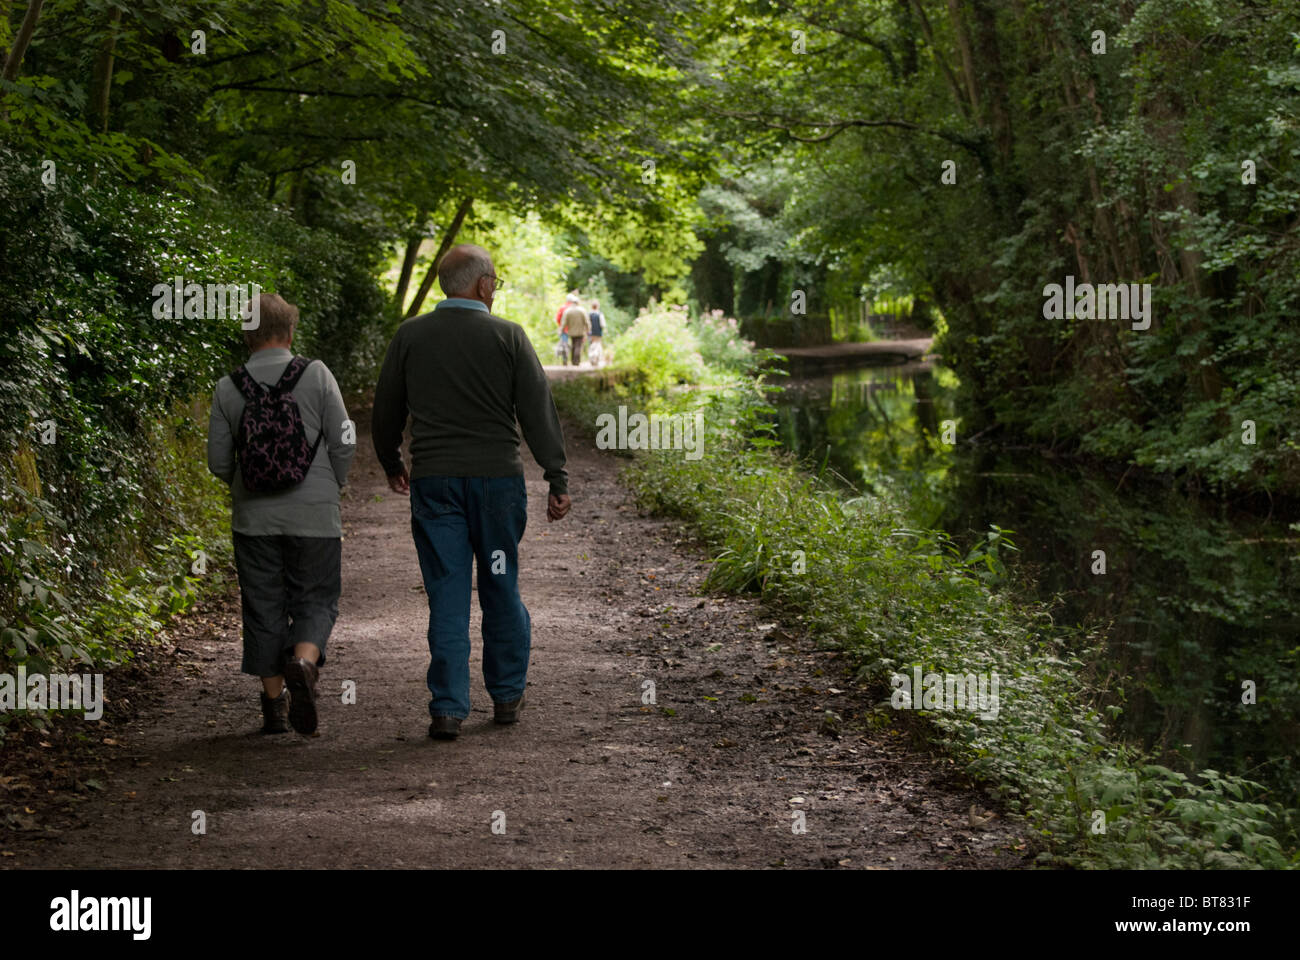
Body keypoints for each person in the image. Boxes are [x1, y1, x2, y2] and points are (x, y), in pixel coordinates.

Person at [372, 244, 572, 741]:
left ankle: (447, 708)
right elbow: (537, 412)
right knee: (500, 582)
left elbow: (385, 410)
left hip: (436, 486)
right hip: (496, 490)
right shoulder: (508, 336)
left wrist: (394, 463)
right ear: (484, 284)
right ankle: (506, 696)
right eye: (496, 284)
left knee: (448, 590)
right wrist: (557, 477)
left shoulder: (411, 335)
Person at [206, 292, 355, 736]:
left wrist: (247, 483)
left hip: (254, 521)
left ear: (247, 336)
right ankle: (304, 664)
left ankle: (274, 706)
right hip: (315, 516)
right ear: (290, 331)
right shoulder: (316, 374)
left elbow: (218, 462)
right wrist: (333, 483)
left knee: (263, 607)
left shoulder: (227, 387)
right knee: (316, 597)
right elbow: (343, 438)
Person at [561, 296, 590, 367]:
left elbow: (564, 322)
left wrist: (561, 330)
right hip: (580, 332)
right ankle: (576, 361)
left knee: (573, 345)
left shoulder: (568, 311)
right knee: (578, 346)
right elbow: (586, 322)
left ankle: (573, 361)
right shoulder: (582, 310)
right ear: (578, 302)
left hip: (571, 332)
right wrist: (588, 330)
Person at [554, 292, 579, 365]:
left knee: (564, 344)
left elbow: (558, 318)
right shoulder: (574, 308)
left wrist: (561, 327)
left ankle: (565, 360)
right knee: (574, 344)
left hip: (564, 330)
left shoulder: (562, 308)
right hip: (573, 329)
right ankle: (574, 360)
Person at [587, 299, 605, 367]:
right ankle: (596, 359)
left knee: (591, 346)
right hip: (598, 333)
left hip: (591, 333)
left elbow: (587, 323)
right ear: (598, 306)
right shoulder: (600, 314)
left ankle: (591, 359)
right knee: (597, 346)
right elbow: (602, 324)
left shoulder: (589, 314)